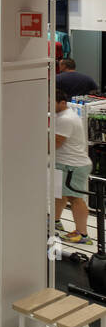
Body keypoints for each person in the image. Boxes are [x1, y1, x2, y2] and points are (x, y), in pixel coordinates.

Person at [54, 88, 94, 245]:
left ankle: (82, 234)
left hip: (73, 165)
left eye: (51, 102)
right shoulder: (61, 116)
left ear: (62, 102)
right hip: (65, 163)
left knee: (75, 198)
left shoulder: (66, 119)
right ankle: (55, 221)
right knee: (60, 194)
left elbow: (55, 143)